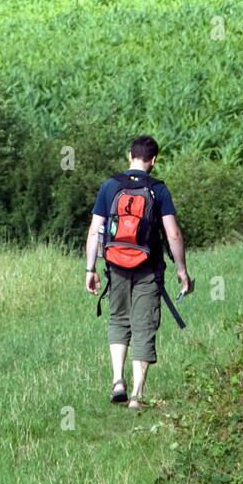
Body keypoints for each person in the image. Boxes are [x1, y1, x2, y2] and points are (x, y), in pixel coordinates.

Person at [85, 135, 192, 408]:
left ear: (128, 155)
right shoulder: (158, 189)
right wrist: (182, 270)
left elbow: (95, 230)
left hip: (115, 265)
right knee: (144, 325)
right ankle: (136, 396)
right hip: (148, 269)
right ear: (153, 160)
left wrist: (90, 268)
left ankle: (117, 380)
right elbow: (174, 234)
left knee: (119, 319)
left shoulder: (110, 186)